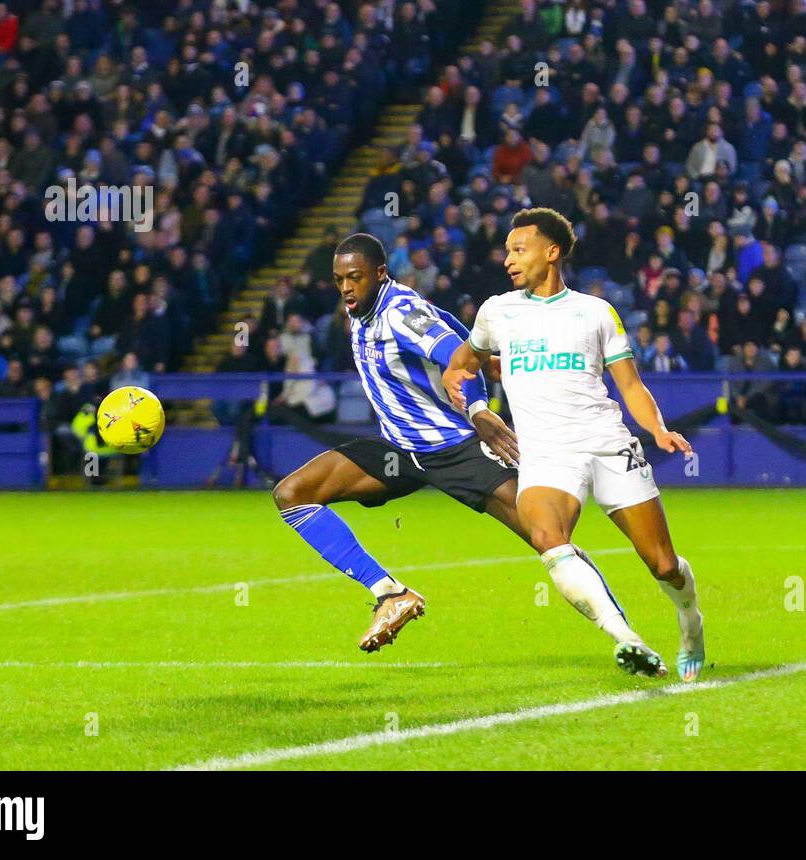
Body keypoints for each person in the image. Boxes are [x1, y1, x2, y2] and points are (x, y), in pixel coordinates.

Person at [272, 233, 635, 661]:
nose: (347, 288)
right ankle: (390, 594)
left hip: (455, 449)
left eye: (355, 277)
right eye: (339, 280)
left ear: (380, 274)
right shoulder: (360, 313)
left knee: (548, 536)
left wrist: (480, 409)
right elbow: (458, 333)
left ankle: (626, 637)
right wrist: (488, 356)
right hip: (400, 451)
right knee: (293, 495)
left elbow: (453, 355)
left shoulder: (401, 313)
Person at [442, 208, 706, 681]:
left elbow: (630, 387)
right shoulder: (496, 311)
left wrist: (659, 429)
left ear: (552, 252)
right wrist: (468, 392)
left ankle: (691, 623)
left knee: (662, 564)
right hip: (545, 455)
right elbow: (462, 364)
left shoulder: (595, 311)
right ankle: (626, 638)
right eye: (506, 252)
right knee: (547, 538)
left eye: (518, 250)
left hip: (606, 444)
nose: (508, 260)